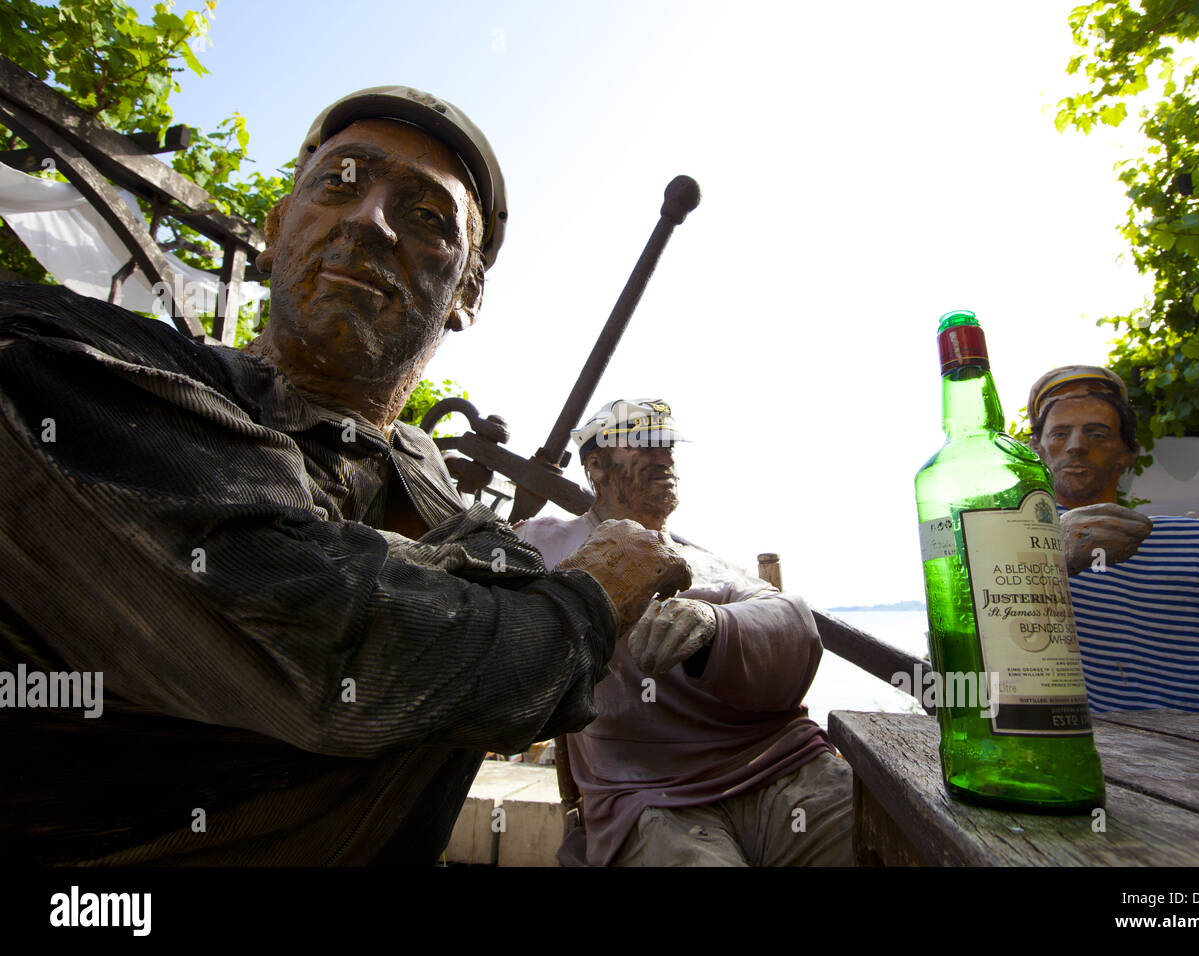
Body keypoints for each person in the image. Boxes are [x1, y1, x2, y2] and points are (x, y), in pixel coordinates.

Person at [0, 87, 689, 865]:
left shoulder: (423, 477)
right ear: (272, 231)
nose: (369, 220)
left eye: (427, 215)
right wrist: (587, 600)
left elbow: (475, 635)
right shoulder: (77, 361)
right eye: (340, 183)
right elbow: (327, 640)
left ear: (466, 294)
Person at [515, 399, 852, 867]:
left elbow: (791, 621)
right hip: (644, 791)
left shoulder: (712, 570)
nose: (665, 455)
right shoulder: (541, 543)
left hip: (776, 764)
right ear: (596, 463)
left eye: (668, 445)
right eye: (645, 444)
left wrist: (717, 624)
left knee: (868, 834)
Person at [1029, 366, 1199, 712]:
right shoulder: (1009, 551)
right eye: (1059, 434)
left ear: (1127, 453)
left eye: (1098, 433)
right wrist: (1048, 559)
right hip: (1074, 755)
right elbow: (966, 661)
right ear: (1037, 451)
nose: (1076, 446)